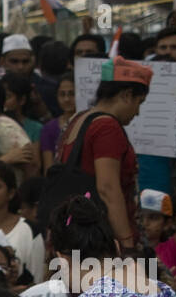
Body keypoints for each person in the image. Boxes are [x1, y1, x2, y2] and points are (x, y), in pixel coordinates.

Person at [53, 57, 152, 249]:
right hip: (100, 239)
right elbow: (108, 188)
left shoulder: (79, 118)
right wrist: (127, 244)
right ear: (126, 95)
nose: (137, 112)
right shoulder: (107, 127)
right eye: (139, 102)